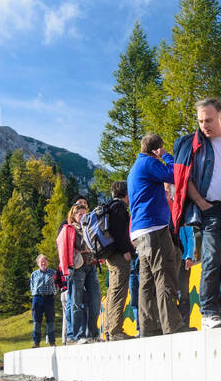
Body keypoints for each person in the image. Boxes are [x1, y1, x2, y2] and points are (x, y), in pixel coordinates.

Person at [172, 98, 221, 329]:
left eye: (209, 120)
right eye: (200, 120)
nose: (204, 125)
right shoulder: (192, 144)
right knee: (211, 261)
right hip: (211, 210)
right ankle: (208, 313)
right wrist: (202, 203)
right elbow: (185, 179)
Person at [128, 133, 186, 337]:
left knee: (147, 280)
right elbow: (174, 175)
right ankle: (173, 325)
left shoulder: (135, 167)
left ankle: (149, 327)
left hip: (139, 231)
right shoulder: (148, 163)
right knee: (165, 274)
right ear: (155, 150)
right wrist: (167, 156)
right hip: (154, 229)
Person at [56, 199, 100, 345]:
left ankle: (92, 334)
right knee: (76, 302)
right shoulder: (68, 229)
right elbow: (63, 249)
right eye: (79, 214)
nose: (82, 216)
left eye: (84, 214)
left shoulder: (90, 227)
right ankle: (76, 335)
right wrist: (65, 268)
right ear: (73, 215)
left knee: (95, 300)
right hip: (76, 267)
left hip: (91, 264)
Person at [100, 181, 135, 341]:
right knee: (120, 291)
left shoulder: (109, 206)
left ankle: (108, 329)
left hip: (110, 255)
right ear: (126, 193)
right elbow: (120, 232)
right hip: (119, 255)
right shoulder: (119, 208)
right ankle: (116, 330)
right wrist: (126, 250)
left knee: (112, 292)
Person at [28, 254, 58, 348]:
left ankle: (52, 342)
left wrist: (54, 292)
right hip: (37, 298)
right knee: (37, 321)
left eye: (44, 261)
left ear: (47, 262)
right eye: (41, 262)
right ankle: (36, 342)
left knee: (50, 320)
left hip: (49, 298)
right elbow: (32, 286)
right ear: (38, 263)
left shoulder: (53, 273)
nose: (43, 263)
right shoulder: (34, 274)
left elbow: (57, 284)